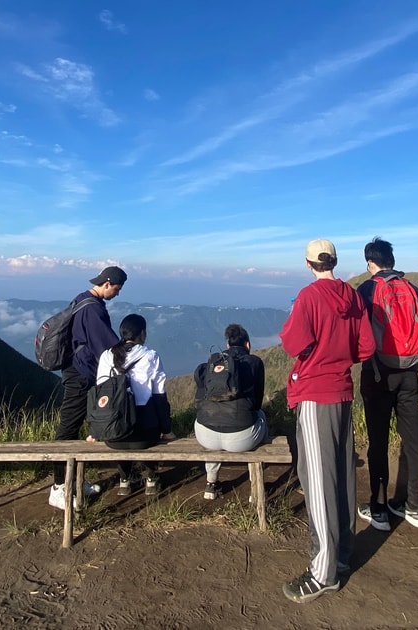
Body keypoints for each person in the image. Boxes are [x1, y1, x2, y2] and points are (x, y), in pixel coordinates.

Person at [279, 239, 375, 603]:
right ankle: (343, 556)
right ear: (335, 261)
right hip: (343, 392)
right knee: (342, 475)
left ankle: (322, 573)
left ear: (308, 264)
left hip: (315, 393)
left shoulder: (308, 297)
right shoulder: (352, 297)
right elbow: (365, 348)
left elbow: (293, 344)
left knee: (318, 480)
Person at [354, 238, 418, 532]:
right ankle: (415, 507)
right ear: (392, 260)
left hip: (377, 374)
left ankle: (378, 511)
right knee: (413, 439)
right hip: (410, 373)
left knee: (378, 441)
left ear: (370, 263)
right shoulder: (413, 289)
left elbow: (357, 334)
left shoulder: (367, 289)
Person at [48, 266, 127, 510]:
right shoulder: (93, 309)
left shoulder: (83, 299)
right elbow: (108, 345)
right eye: (117, 288)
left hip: (76, 371)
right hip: (80, 375)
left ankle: (71, 480)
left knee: (74, 425)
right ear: (107, 283)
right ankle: (59, 488)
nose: (117, 294)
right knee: (68, 427)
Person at [88, 314, 176, 494]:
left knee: (120, 422)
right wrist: (166, 430)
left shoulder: (106, 356)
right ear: (142, 333)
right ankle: (151, 478)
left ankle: (124, 480)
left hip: (113, 437)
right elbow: (160, 397)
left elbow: (101, 396)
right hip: (145, 436)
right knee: (148, 413)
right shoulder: (151, 356)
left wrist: (95, 431)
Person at [193, 324, 268, 500]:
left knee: (210, 419)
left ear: (227, 346)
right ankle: (255, 487)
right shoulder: (255, 363)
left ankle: (211, 484)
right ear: (247, 345)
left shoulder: (213, 364)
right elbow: (257, 403)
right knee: (260, 416)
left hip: (205, 435)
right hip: (242, 439)